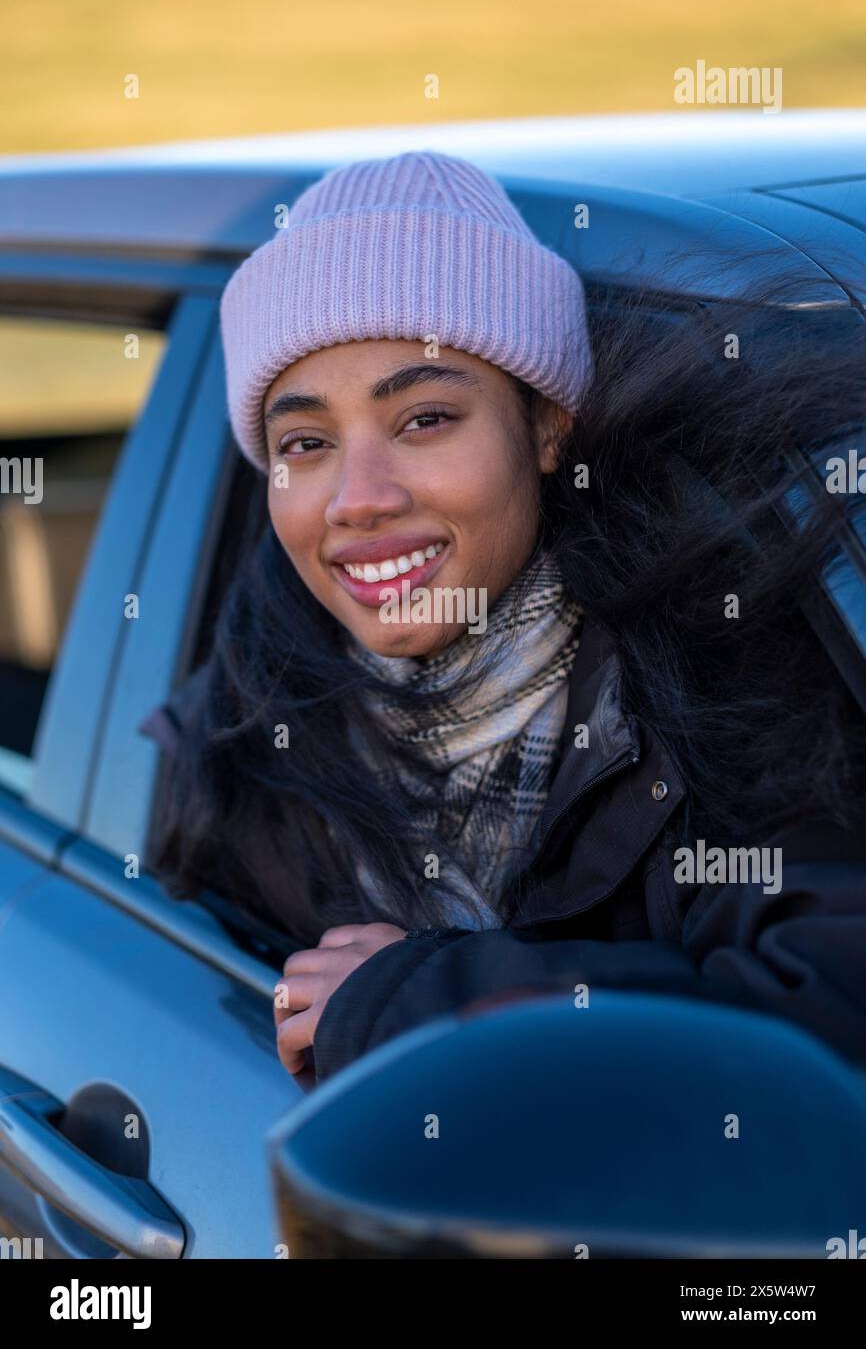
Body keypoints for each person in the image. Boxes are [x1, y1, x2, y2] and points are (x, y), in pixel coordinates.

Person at [139, 150, 866, 1084]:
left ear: (547, 428)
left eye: (425, 420)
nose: (357, 501)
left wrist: (419, 1001)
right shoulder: (238, 740)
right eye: (308, 443)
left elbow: (826, 1016)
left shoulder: (733, 678)